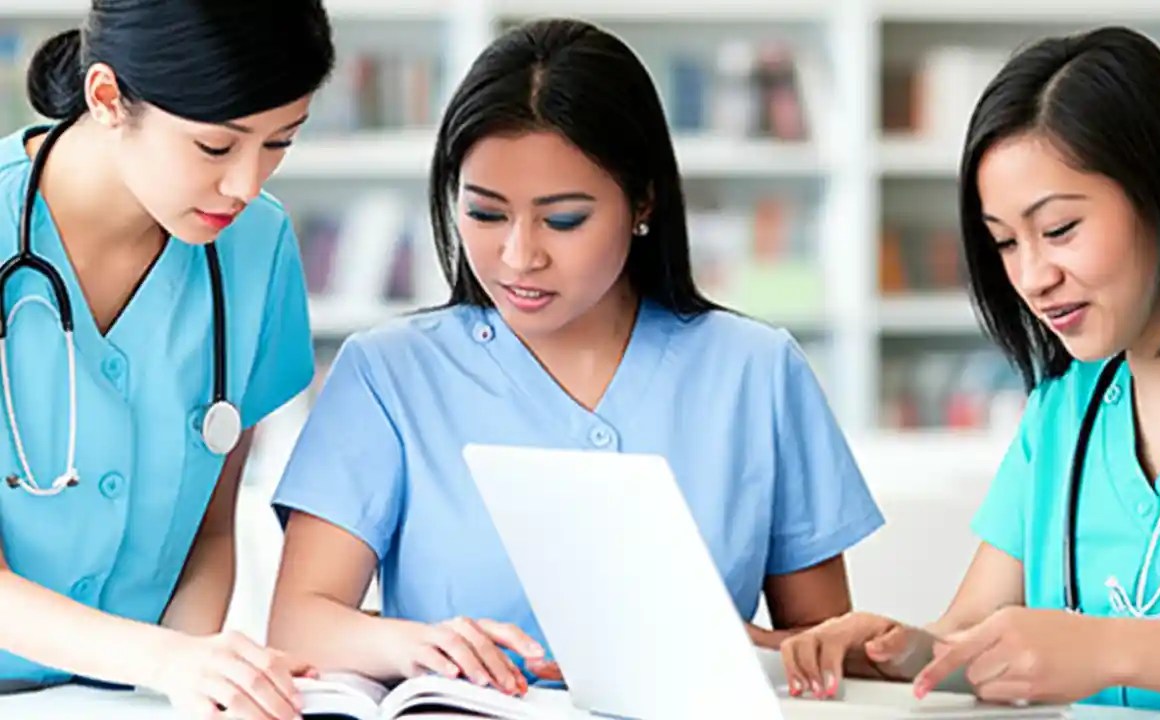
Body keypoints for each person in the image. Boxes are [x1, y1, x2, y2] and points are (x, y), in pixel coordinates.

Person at [267, 17, 883, 699]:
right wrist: (414, 643)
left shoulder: (757, 371)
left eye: (563, 220)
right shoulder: (388, 374)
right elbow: (298, 623)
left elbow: (827, 649)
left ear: (643, 201)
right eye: (485, 214)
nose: (519, 255)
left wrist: (726, 642)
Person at [779, 25, 1160, 719]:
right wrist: (900, 651)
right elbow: (975, 634)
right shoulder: (1065, 410)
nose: (1033, 277)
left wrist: (1107, 649)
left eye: (1061, 229)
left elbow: (1084, 650)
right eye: (1006, 243)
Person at [0, 2, 333, 719]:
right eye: (217, 148)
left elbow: (210, 529)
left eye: (280, 143)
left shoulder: (258, 249)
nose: (247, 184)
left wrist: (194, 688)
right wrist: (167, 661)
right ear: (106, 97)